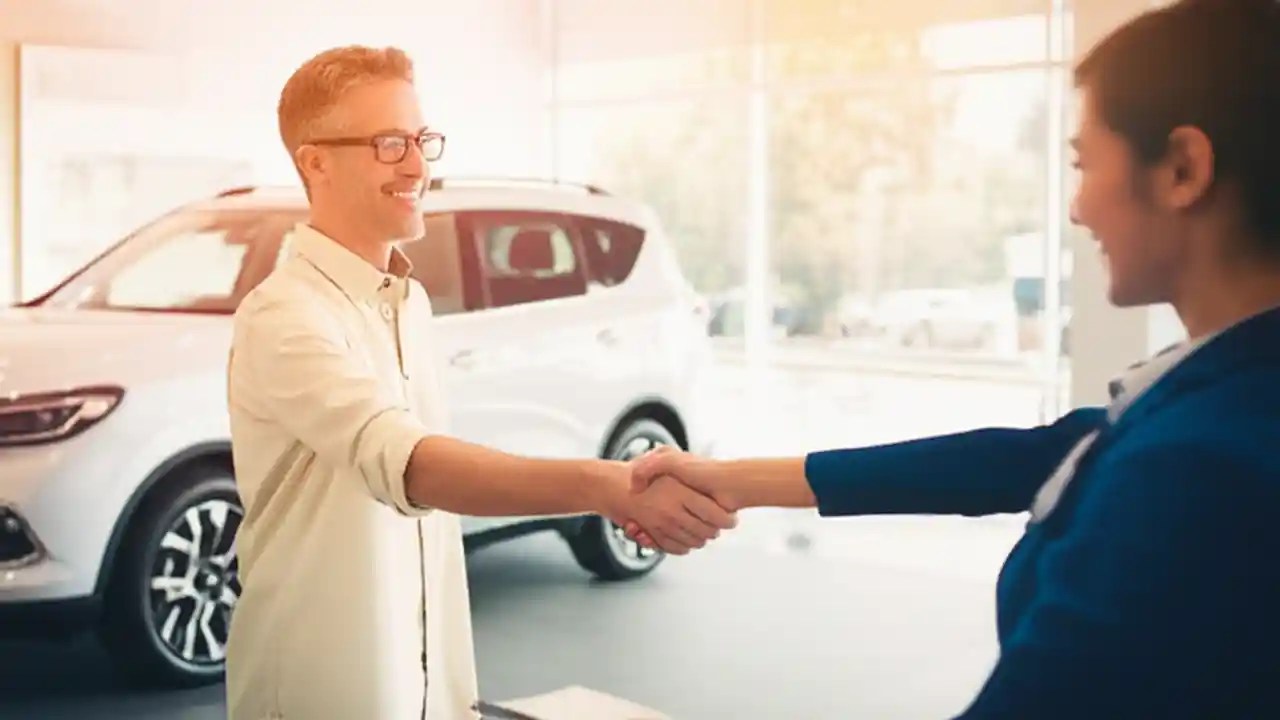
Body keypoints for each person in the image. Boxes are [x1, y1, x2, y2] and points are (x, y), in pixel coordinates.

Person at [629, 1, 1280, 717]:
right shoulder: (1228, 398)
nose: (1078, 209)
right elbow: (1016, 459)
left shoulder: (1196, 466)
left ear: (1182, 169)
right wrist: (731, 481)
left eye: (1085, 164)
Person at [224, 46, 735, 720]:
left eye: (420, 140)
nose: (418, 165)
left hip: (420, 684)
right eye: (388, 143)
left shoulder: (406, 302)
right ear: (314, 160)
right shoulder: (285, 317)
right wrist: (603, 485)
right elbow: (408, 464)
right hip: (320, 687)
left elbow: (424, 527)